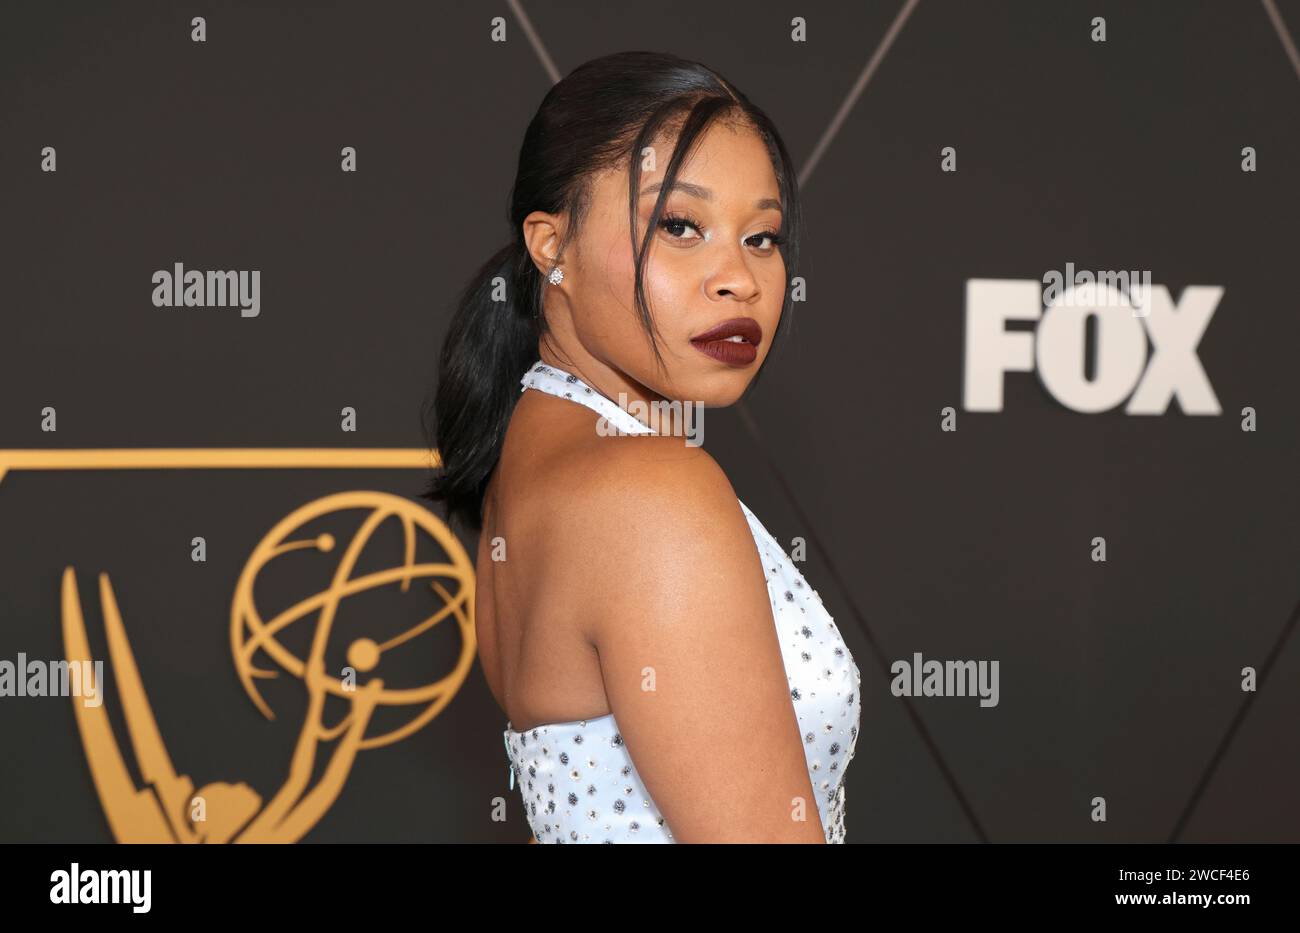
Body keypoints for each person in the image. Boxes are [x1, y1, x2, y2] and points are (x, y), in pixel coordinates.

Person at [423, 50, 860, 843]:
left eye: (762, 236)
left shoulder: (532, 459)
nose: (740, 279)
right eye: (680, 226)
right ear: (551, 245)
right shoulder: (654, 492)